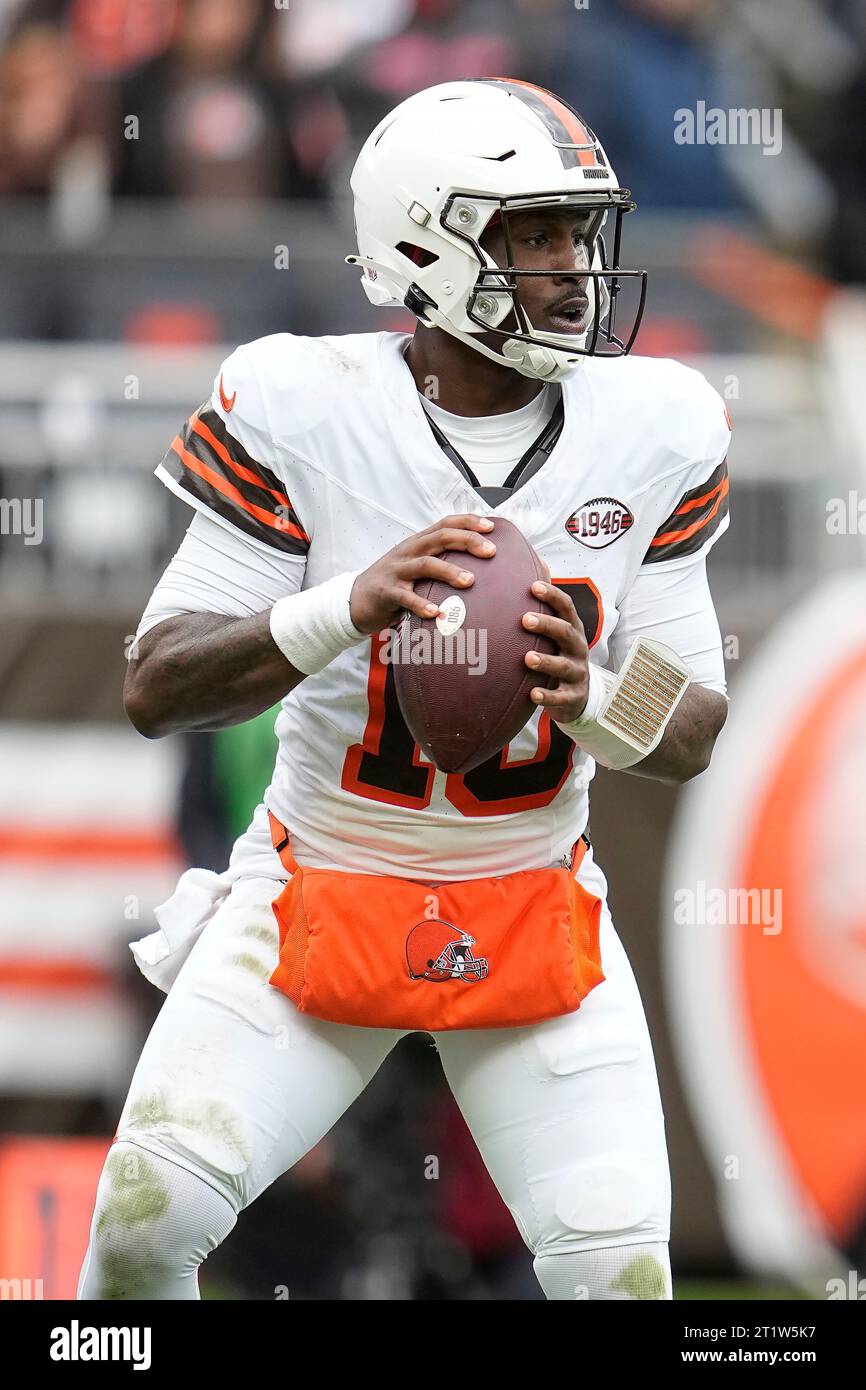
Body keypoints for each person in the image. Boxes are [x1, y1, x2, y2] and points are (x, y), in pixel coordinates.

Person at [78, 78, 730, 1301]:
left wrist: (585, 693)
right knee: (142, 1227)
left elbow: (691, 728)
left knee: (620, 1276)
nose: (569, 268)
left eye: (576, 234)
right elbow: (155, 686)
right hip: (316, 884)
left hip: (531, 902)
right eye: (531, 233)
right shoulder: (304, 405)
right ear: (424, 242)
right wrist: (344, 607)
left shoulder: (654, 426)